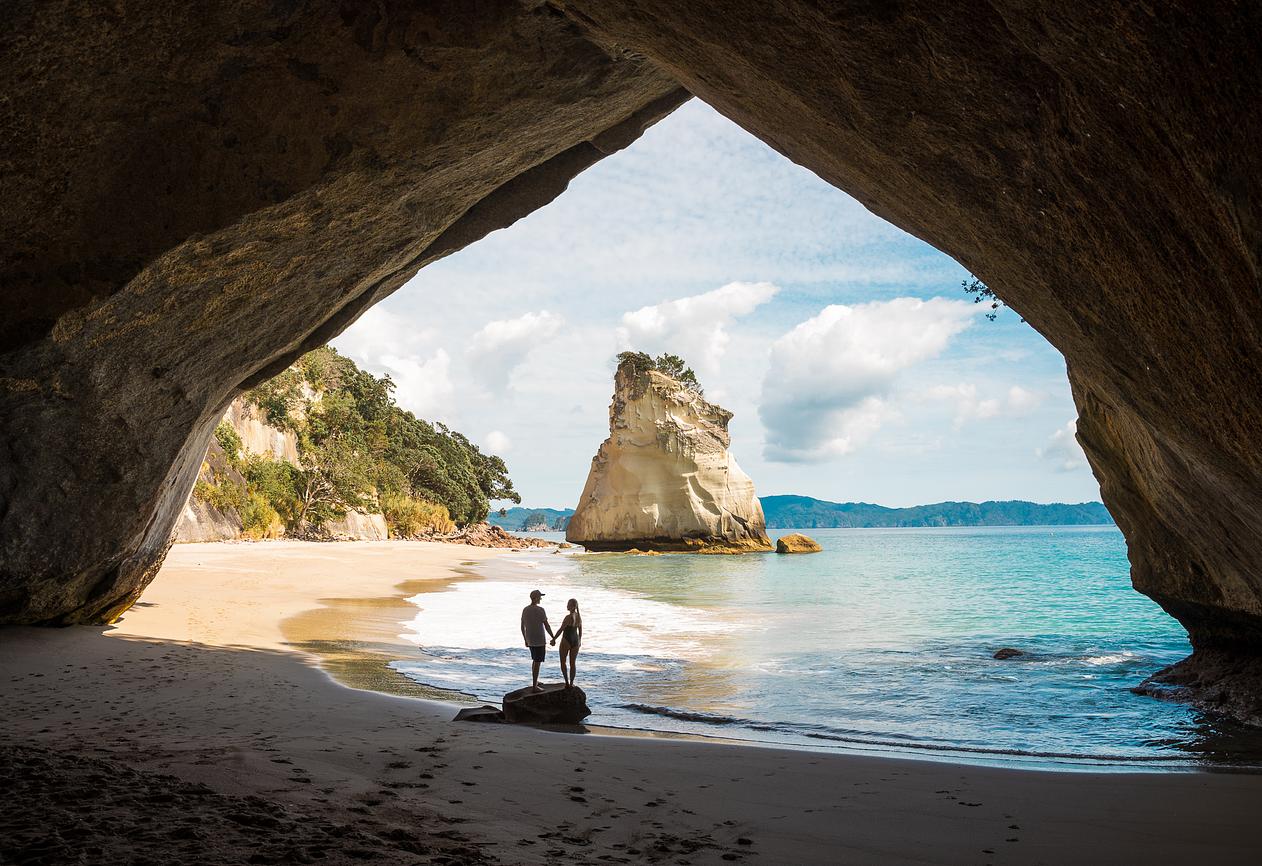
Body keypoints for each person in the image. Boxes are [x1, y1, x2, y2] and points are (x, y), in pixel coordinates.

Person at [520, 589, 554, 690]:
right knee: (537, 662)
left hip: (530, 638)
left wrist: (525, 639)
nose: (541, 598)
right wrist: (553, 637)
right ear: (535, 598)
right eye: (539, 597)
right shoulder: (540, 610)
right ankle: (535, 686)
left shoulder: (525, 609)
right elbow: (547, 626)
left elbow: (522, 626)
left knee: (535, 660)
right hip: (539, 639)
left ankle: (535, 681)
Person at [550, 598, 582, 687]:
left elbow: (561, 629)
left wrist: (554, 639)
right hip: (575, 640)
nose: (567, 606)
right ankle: (572, 683)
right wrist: (579, 641)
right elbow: (580, 630)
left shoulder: (568, 617)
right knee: (572, 663)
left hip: (566, 640)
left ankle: (567, 683)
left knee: (563, 662)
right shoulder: (579, 616)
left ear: (572, 606)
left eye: (568, 604)